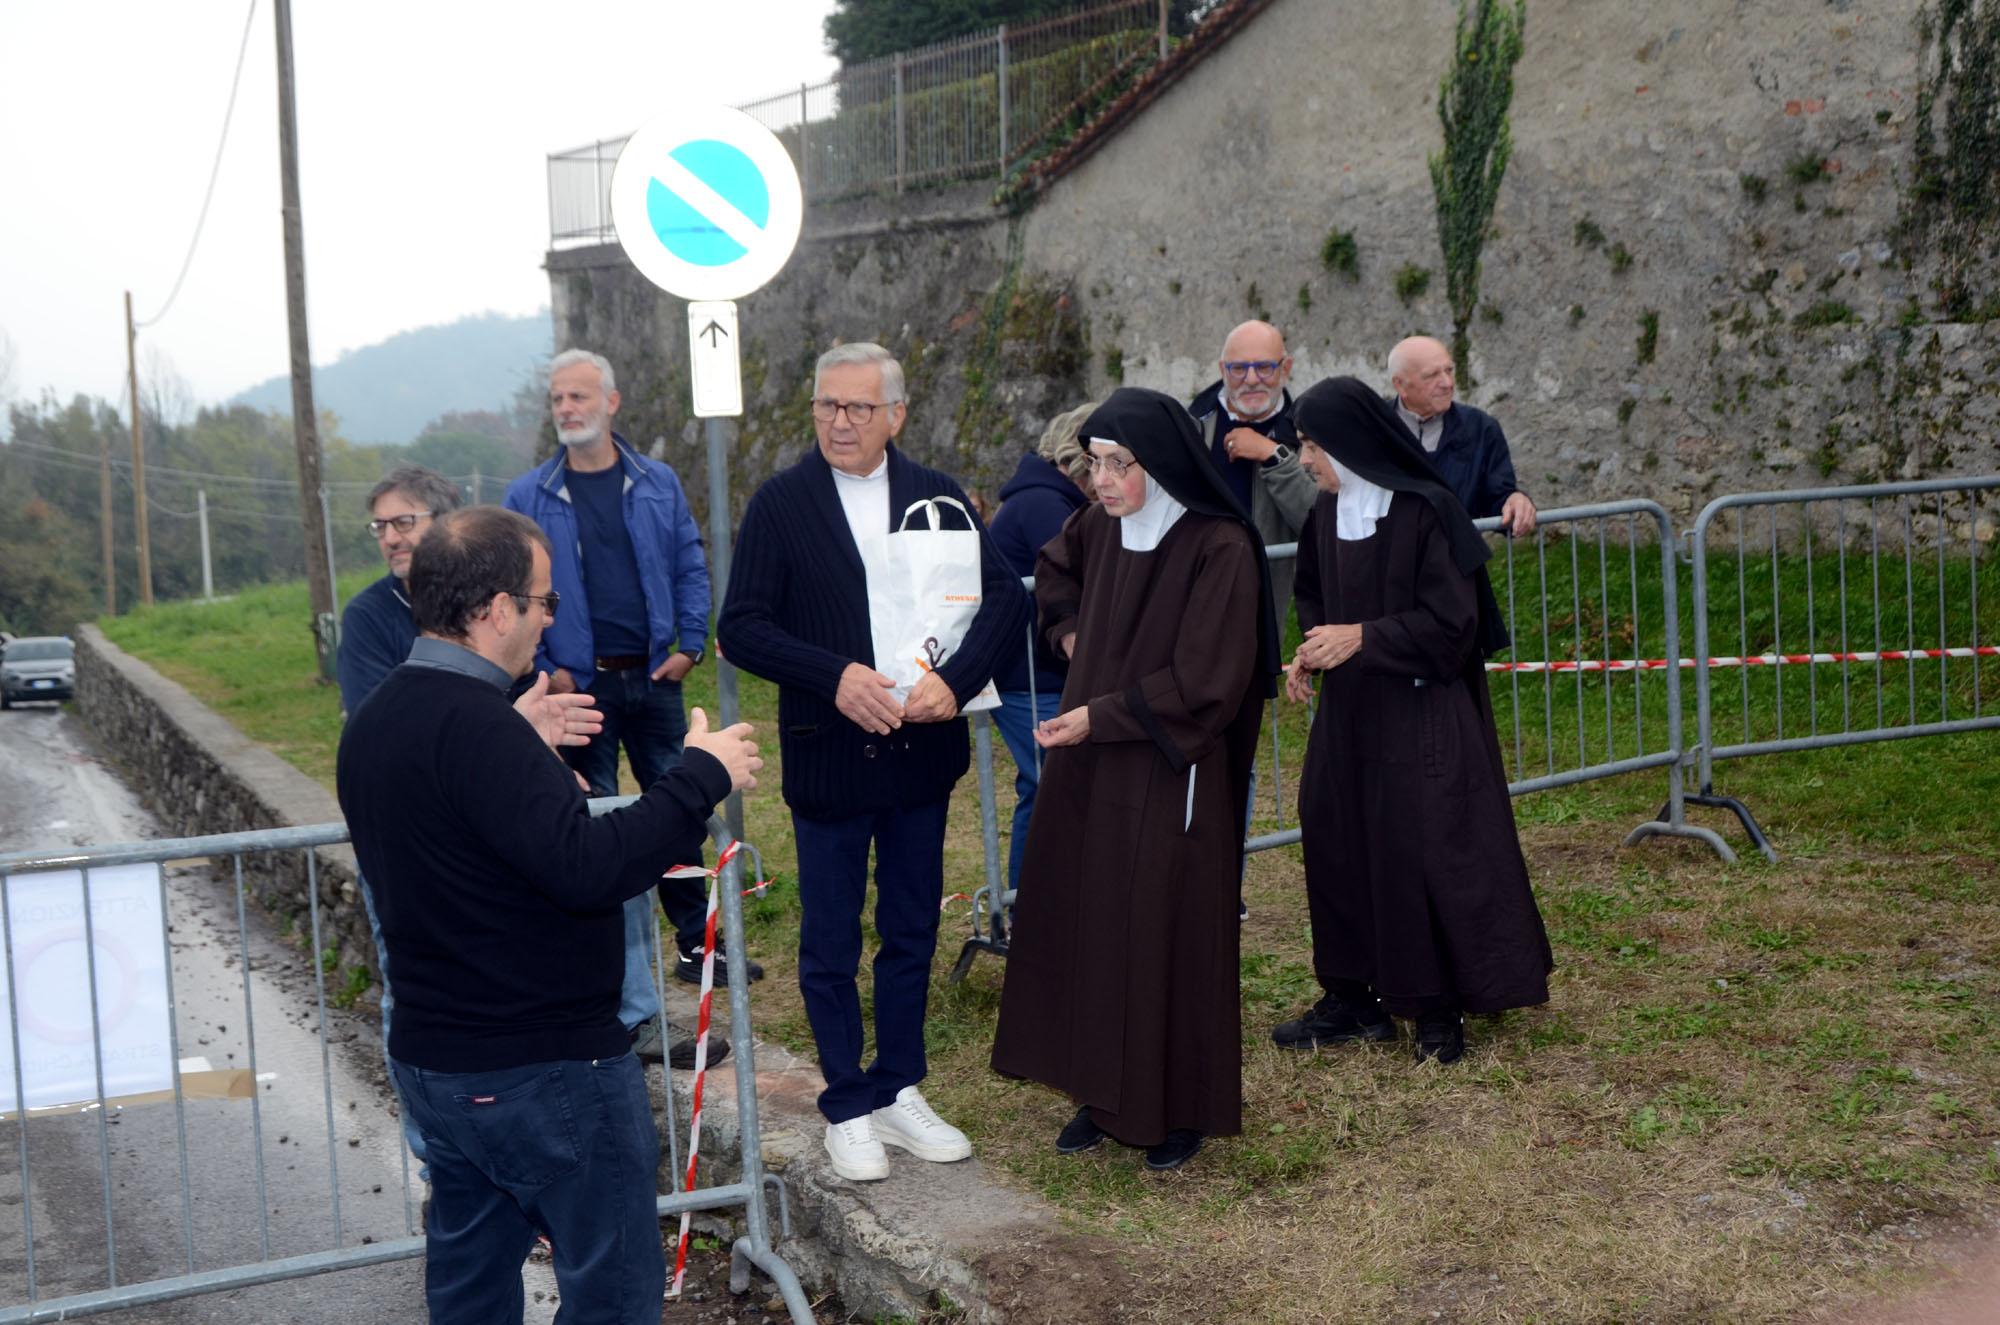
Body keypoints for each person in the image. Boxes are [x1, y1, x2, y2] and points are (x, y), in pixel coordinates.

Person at [336, 505, 761, 1324]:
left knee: (468, 1289)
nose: (548, 619)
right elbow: (587, 867)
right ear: (496, 611)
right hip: (543, 1066)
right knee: (614, 1293)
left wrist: (513, 735)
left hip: (439, 1066)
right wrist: (698, 776)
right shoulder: (479, 731)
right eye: (543, 602)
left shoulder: (381, 720)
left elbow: (461, 820)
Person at [717, 342, 1029, 1183]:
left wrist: (952, 683)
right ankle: (847, 1103)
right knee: (827, 938)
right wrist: (834, 676)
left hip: (920, 757)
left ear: (896, 413)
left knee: (909, 928)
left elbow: (1001, 600)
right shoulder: (781, 504)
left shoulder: (937, 496)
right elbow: (740, 626)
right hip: (829, 757)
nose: (840, 422)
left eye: (858, 408)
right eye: (826, 405)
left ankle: (898, 1085)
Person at [989, 387, 1279, 1172]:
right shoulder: (1099, 526)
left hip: (1169, 764)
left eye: (1120, 464)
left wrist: (1099, 714)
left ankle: (1176, 1106)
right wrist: (1070, 628)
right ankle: (1099, 1088)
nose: (1102, 480)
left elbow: (1208, 679)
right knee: (1098, 919)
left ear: (1163, 462)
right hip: (1095, 765)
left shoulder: (1219, 545)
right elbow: (1054, 568)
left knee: (1165, 927)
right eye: (1095, 463)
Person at [1271, 377, 1551, 1065]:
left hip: (1420, 716)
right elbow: (1313, 595)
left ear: (1348, 443)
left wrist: (1361, 638)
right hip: (1350, 718)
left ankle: (1433, 1006)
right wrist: (1310, 651)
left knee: (1416, 852)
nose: (1304, 459)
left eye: (1311, 445)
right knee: (1334, 836)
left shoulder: (1428, 512)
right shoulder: (1325, 515)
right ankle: (1352, 997)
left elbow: (1454, 628)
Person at [504, 349, 764, 1067]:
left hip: (654, 676)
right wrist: (547, 671)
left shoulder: (657, 480)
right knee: (592, 823)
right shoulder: (528, 494)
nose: (566, 408)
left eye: (578, 396)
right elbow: (514, 583)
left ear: (612, 401)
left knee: (681, 806)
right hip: (575, 690)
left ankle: (697, 944)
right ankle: (612, 977)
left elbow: (689, 559)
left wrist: (688, 644)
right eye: (556, 398)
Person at [983, 401, 1094, 893]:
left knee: (1046, 786)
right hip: (1029, 678)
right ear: (1078, 460)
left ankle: (1037, 903)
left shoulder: (1049, 498)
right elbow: (1089, 581)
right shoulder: (1044, 504)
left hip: (1041, 673)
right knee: (1051, 786)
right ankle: (1033, 904)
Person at [1187, 319, 1318, 611]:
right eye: (1238, 368)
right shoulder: (1191, 427)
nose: (1251, 379)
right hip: (1194, 585)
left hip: (1266, 592)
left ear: (1286, 368)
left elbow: (1316, 523)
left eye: (1264, 367)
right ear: (1222, 370)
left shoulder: (1309, 433)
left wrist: (1273, 455)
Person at [1386, 335, 1537, 537]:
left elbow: (1497, 497)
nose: (1447, 383)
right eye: (1431, 375)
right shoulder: (1370, 429)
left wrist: (1515, 501)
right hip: (1388, 564)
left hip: (1455, 564)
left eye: (1449, 370)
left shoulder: (1481, 428)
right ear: (1400, 385)